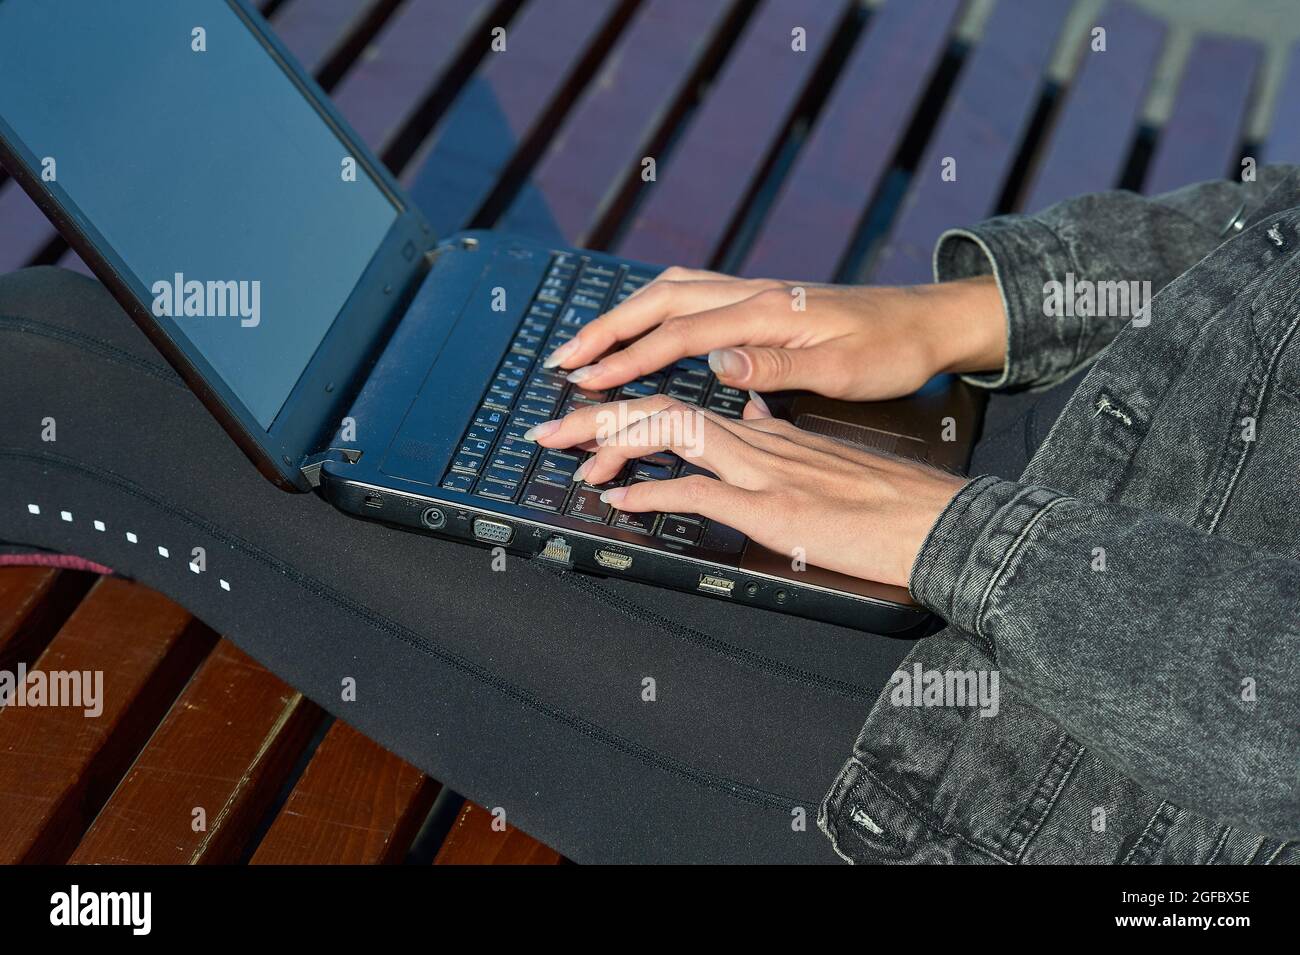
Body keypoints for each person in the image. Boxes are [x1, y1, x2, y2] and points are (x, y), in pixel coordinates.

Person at [2, 169, 1296, 864]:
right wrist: (966, 314)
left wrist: (959, 535)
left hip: (1075, 761)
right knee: (164, 337)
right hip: (1067, 425)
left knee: (77, 391)